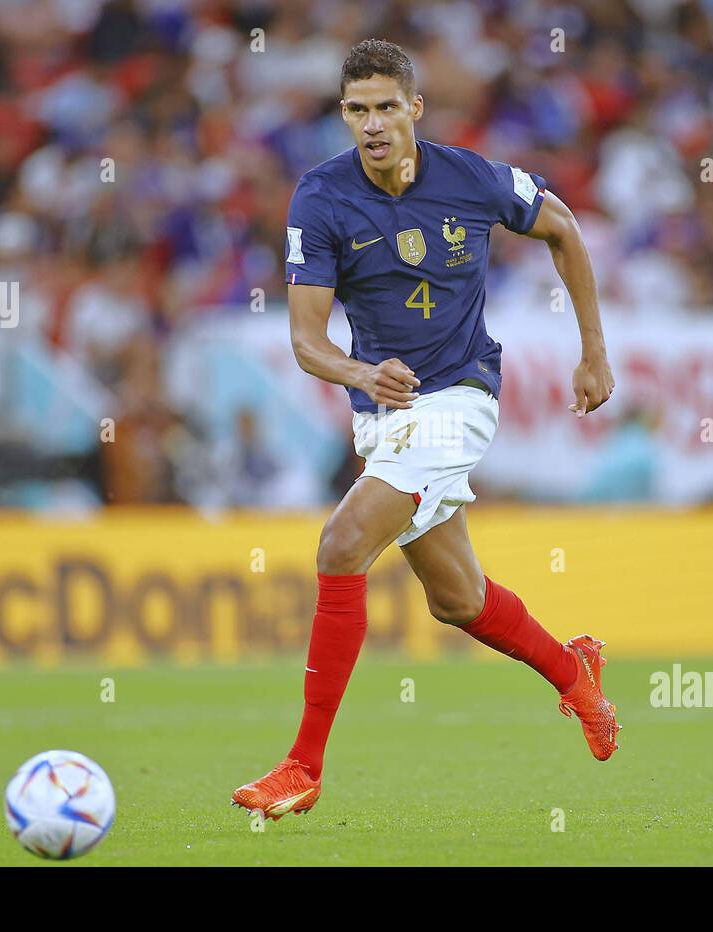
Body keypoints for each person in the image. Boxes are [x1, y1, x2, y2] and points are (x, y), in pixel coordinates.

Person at [231, 39, 618, 821]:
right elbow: (307, 342)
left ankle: (302, 766)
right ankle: (574, 674)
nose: (371, 124)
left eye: (383, 106)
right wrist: (359, 375)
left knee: (341, 545)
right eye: (355, 110)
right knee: (458, 599)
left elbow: (564, 229)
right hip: (387, 412)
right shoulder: (321, 198)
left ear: (414, 107)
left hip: (461, 397)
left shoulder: (472, 178)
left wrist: (593, 353)